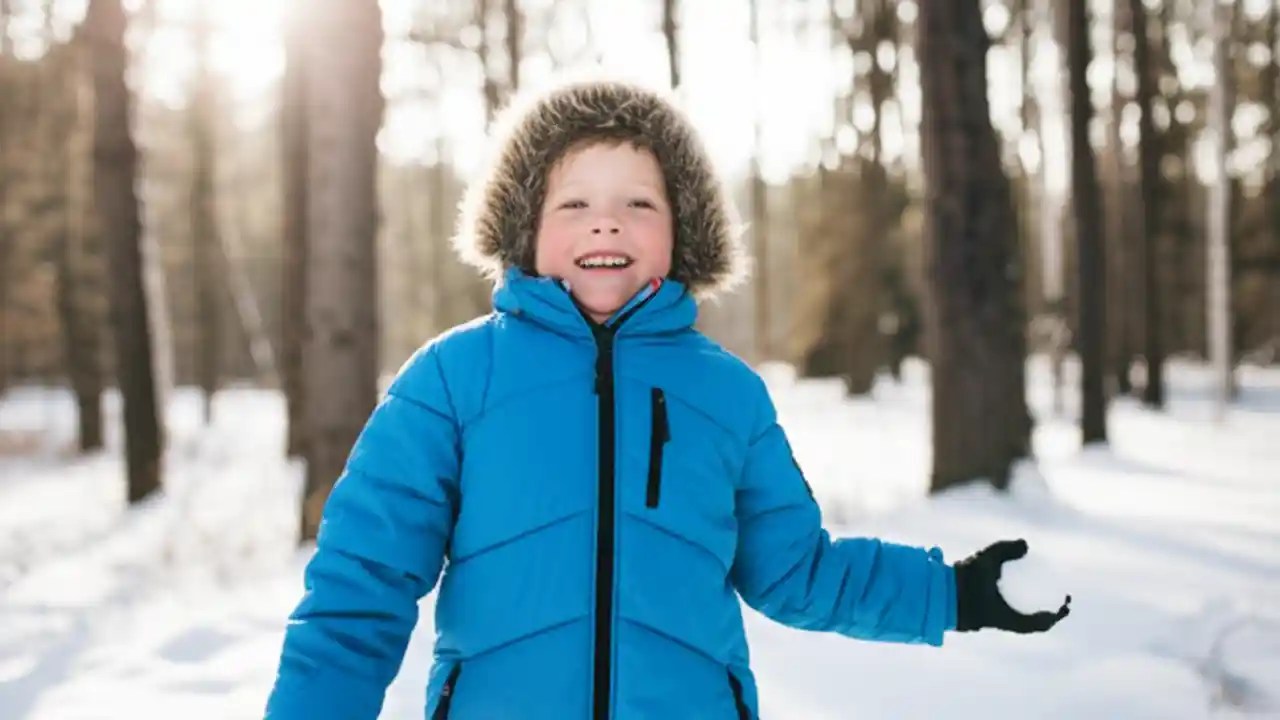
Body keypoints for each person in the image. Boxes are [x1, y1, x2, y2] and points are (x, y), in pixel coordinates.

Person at [264, 79, 1070, 720]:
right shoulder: (452, 380)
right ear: (524, 230)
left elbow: (795, 569)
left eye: (638, 204)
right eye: (573, 203)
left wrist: (949, 593)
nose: (605, 224)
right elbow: (359, 586)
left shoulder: (727, 395)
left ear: (682, 232)